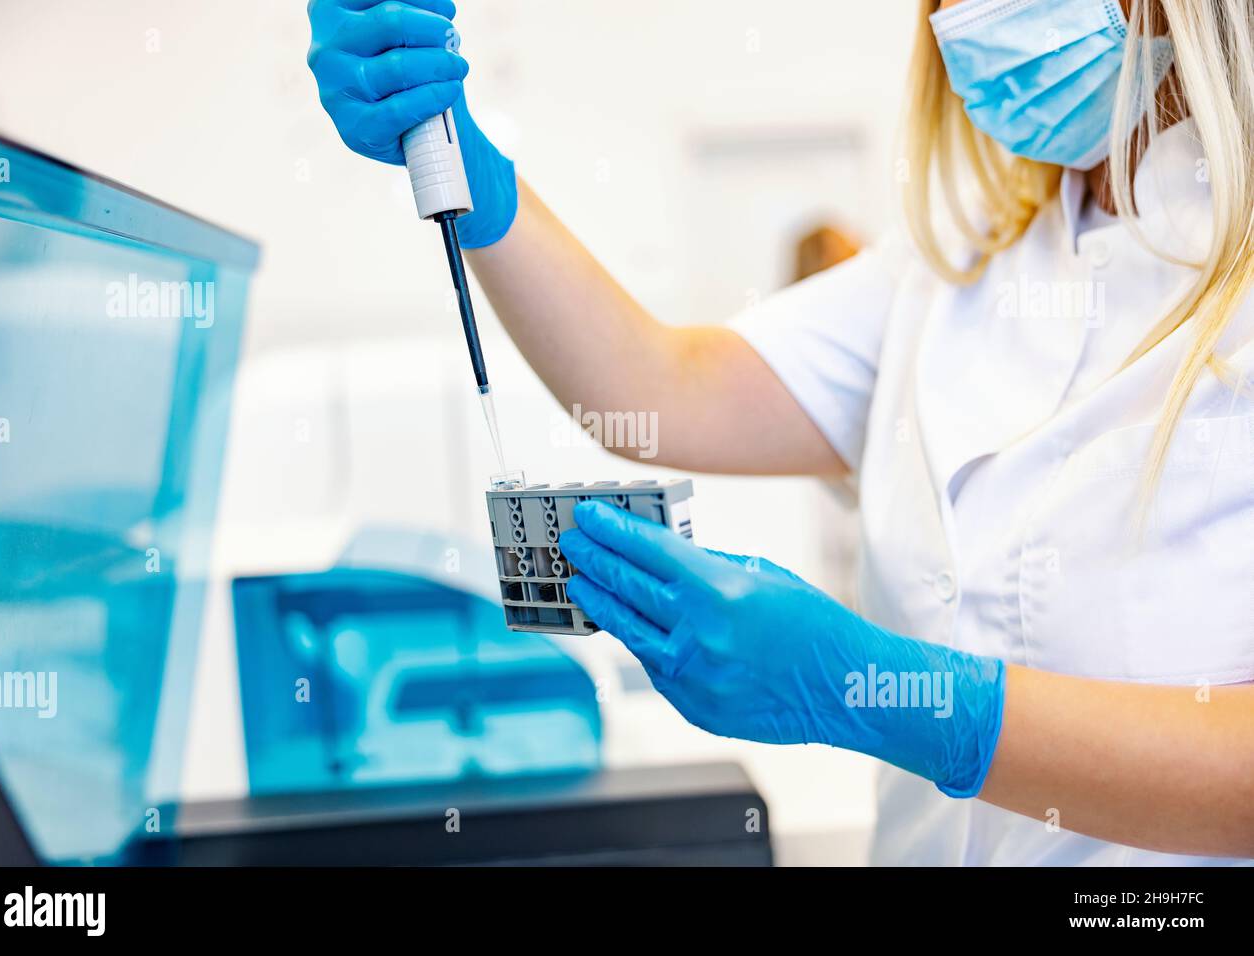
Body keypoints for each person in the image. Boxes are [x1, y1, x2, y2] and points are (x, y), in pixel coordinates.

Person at [307, 0, 1254, 864]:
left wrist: (900, 701)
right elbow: (659, 386)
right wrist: (470, 172)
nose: (966, 18)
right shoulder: (953, 271)